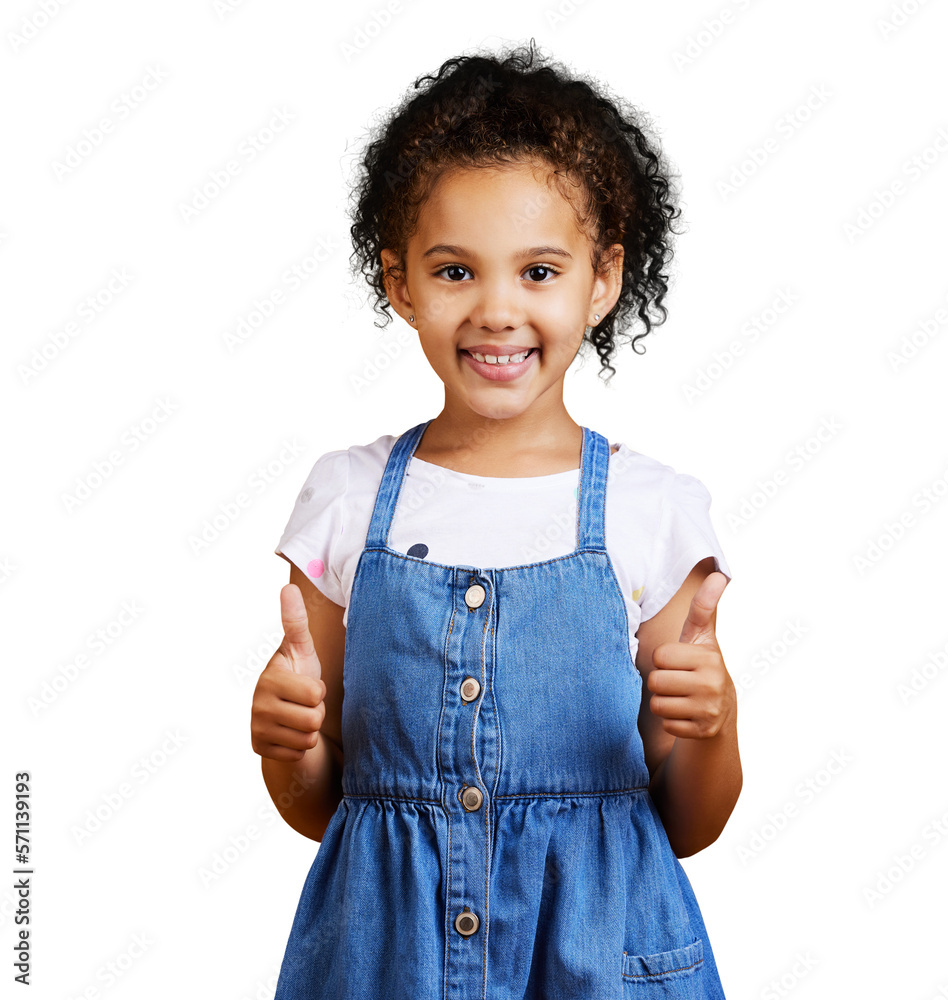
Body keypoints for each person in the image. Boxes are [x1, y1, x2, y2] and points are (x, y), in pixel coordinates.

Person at [251, 39, 741, 998]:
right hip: (384, 965)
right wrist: (290, 745)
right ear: (399, 283)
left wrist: (711, 726)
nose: (497, 310)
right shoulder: (347, 500)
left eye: (540, 272)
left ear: (602, 280)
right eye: (454, 270)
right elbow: (323, 809)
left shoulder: (654, 510)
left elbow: (689, 823)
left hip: (602, 963)